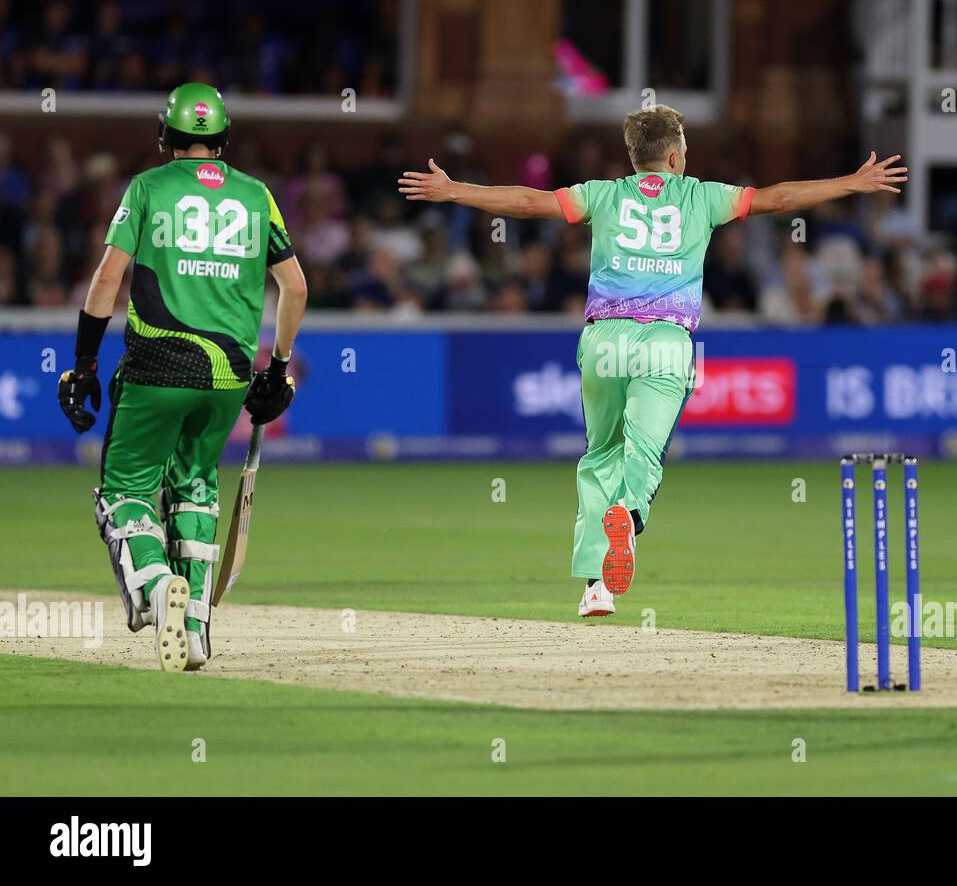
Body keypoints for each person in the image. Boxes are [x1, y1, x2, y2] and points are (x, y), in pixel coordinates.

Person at [399, 105, 906, 616]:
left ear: (633, 156)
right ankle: (630, 514)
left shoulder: (602, 193)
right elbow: (781, 198)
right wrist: (852, 183)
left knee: (600, 455)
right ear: (673, 155)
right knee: (644, 450)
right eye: (684, 147)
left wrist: (455, 191)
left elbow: (529, 202)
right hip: (666, 339)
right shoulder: (704, 196)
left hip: (604, 340)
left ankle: (596, 587)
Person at [57, 83, 307, 672]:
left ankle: (153, 578)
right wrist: (279, 370)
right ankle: (193, 627)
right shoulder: (256, 195)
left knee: (125, 491)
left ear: (165, 135)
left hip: (157, 364)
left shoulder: (147, 187)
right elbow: (294, 286)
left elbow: (105, 281)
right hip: (229, 375)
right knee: (195, 487)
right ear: (222, 138)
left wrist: (85, 364)